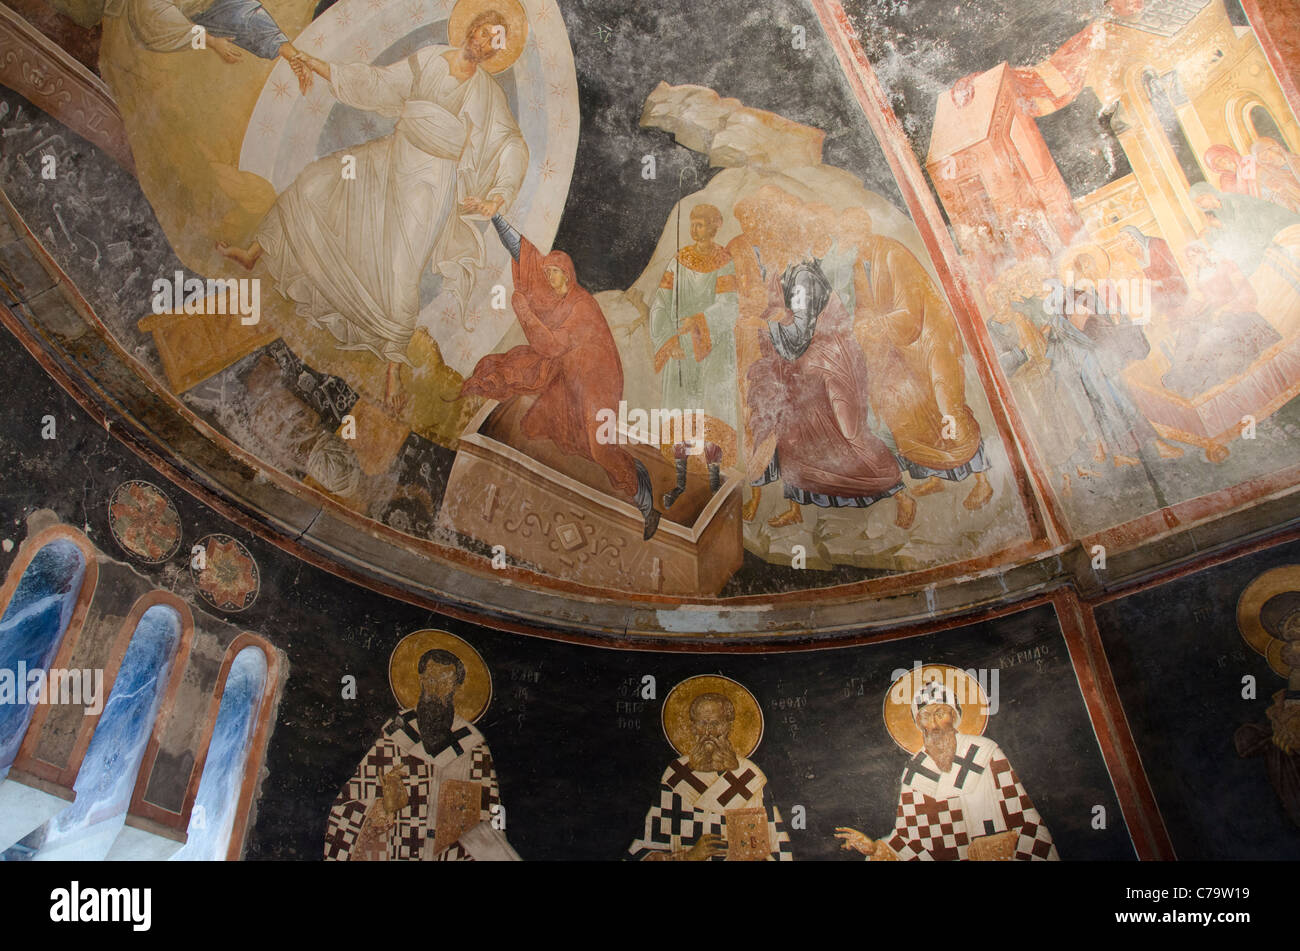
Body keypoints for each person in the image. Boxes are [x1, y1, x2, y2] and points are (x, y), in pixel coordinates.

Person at [218, 12, 528, 413]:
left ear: (497, 52)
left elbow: (510, 144)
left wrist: (498, 196)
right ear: (471, 29)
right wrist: (318, 65)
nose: (487, 40)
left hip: (431, 183)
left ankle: (391, 370)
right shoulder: (432, 57)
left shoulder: (486, 94)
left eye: (496, 40)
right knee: (316, 182)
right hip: (392, 157)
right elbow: (380, 83)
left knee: (402, 269)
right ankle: (254, 253)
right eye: (485, 30)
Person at [463, 217, 662, 540]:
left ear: (568, 275)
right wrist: (497, 216)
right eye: (548, 274)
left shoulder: (581, 306)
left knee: (600, 448)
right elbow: (525, 259)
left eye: (555, 273)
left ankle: (646, 503)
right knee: (541, 424)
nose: (549, 278)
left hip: (598, 383)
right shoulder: (558, 301)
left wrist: (525, 313)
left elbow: (552, 345)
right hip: (572, 377)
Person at [732, 188, 907, 530]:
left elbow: (797, 338)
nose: (761, 251)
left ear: (781, 242)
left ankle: (901, 494)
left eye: (766, 243)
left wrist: (771, 315)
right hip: (801, 374)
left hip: (830, 367)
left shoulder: (803, 277)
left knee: (850, 433)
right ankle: (797, 507)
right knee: (795, 439)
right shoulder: (782, 273)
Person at [842, 208, 995, 516]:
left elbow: (910, 312)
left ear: (860, 231)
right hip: (897, 347)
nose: (842, 240)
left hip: (927, 340)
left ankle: (983, 480)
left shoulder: (892, 253)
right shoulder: (861, 263)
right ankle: (935, 475)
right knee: (905, 408)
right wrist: (862, 326)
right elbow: (864, 308)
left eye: (846, 233)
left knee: (946, 407)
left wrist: (878, 325)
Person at [324, 649, 516, 861]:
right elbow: (345, 811)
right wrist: (383, 809)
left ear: (457, 686)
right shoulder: (394, 737)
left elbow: (489, 828)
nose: (436, 689)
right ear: (421, 679)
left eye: (445, 681)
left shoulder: (474, 748)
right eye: (431, 678)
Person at [834, 681, 1058, 861]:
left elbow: (1025, 820)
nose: (933, 724)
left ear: (954, 716)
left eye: (940, 713)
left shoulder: (985, 753)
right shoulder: (915, 772)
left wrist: (1002, 848)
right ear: (918, 723)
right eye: (925, 716)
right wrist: (876, 850)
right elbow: (911, 841)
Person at [628, 693, 792, 861]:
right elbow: (645, 852)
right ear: (692, 727)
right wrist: (689, 857)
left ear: (728, 726)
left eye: (715, 723)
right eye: (702, 723)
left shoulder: (750, 778)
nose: (708, 732)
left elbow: (777, 850)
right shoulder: (676, 776)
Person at [650, 204, 740, 506]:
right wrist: (668, 338)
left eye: (702, 224)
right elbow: (661, 303)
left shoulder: (725, 262)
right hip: (682, 349)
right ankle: (680, 482)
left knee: (710, 413)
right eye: (693, 224)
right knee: (682, 414)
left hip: (713, 350)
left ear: (716, 227)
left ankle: (714, 483)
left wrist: (699, 319)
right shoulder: (679, 261)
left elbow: (729, 305)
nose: (695, 230)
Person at [1160, 243, 1280, 397]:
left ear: (1203, 253)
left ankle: (1191, 381)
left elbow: (1246, 292)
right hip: (1214, 315)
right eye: (1189, 258)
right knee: (1187, 331)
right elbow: (1201, 301)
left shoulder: (1225, 265)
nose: (1193, 259)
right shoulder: (1198, 276)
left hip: (1237, 316)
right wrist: (1185, 314)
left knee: (1206, 342)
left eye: (1195, 254)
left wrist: (1228, 308)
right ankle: (1177, 373)